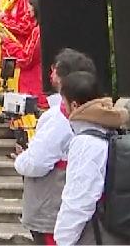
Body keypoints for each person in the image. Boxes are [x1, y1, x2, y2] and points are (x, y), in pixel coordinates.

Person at [14, 49, 98, 245]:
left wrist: (21, 159)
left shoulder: (62, 119)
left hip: (52, 210)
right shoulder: (91, 112)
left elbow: (36, 162)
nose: (50, 74)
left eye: (53, 70)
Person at [52, 71, 130, 245]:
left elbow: (79, 199)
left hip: (97, 233)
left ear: (73, 104)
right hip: (119, 230)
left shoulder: (85, 143)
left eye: (63, 102)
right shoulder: (112, 129)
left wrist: (63, 239)